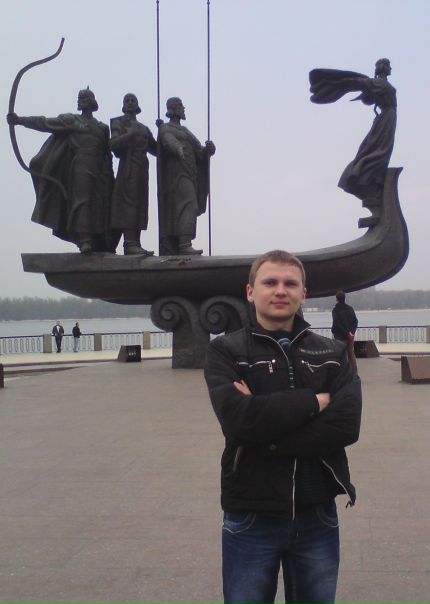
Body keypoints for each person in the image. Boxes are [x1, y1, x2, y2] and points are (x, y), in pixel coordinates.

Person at [204, 250, 362, 604]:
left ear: (303, 293)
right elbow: (238, 421)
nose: (280, 290)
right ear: (250, 291)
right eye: (270, 282)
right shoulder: (225, 351)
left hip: (317, 511)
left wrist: (265, 431)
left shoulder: (333, 353)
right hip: (251, 512)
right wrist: (314, 402)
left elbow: (346, 426)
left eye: (290, 283)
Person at [7, 88, 116, 253]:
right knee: (82, 200)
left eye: (85, 98)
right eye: (80, 98)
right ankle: (84, 239)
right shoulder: (72, 120)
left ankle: (99, 239)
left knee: (100, 204)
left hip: (101, 170)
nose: (81, 100)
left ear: (92, 101)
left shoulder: (102, 128)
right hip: (81, 165)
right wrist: (20, 120)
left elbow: (107, 153)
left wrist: (109, 173)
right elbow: (45, 123)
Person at [310, 58, 396, 227]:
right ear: (383, 68)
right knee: (375, 156)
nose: (391, 68)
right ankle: (372, 199)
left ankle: (376, 205)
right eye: (388, 65)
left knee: (378, 154)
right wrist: (340, 83)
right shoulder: (379, 84)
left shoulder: (379, 84)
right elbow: (358, 83)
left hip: (386, 120)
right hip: (385, 120)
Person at [157, 97, 216, 255]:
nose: (184, 109)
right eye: (181, 106)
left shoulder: (185, 130)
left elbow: (199, 151)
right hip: (177, 174)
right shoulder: (165, 128)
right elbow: (168, 140)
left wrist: (208, 149)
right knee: (189, 205)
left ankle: (183, 243)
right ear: (174, 108)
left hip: (190, 173)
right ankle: (184, 244)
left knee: (188, 205)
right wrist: (177, 148)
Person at [110, 93, 157, 256]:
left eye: (133, 100)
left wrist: (161, 131)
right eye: (127, 100)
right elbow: (113, 144)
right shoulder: (118, 122)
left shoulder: (144, 128)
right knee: (128, 202)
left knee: (140, 203)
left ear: (138, 105)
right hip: (128, 165)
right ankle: (129, 243)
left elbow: (156, 150)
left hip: (142, 166)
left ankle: (136, 242)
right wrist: (129, 135)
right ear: (123, 105)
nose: (130, 103)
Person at [331, 290, 358, 372]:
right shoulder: (350, 309)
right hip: (350, 337)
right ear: (344, 298)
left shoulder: (335, 310)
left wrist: (346, 333)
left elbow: (337, 324)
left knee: (341, 356)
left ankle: (344, 374)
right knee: (351, 355)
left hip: (340, 336)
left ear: (336, 299)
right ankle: (354, 373)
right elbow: (355, 321)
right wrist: (351, 333)